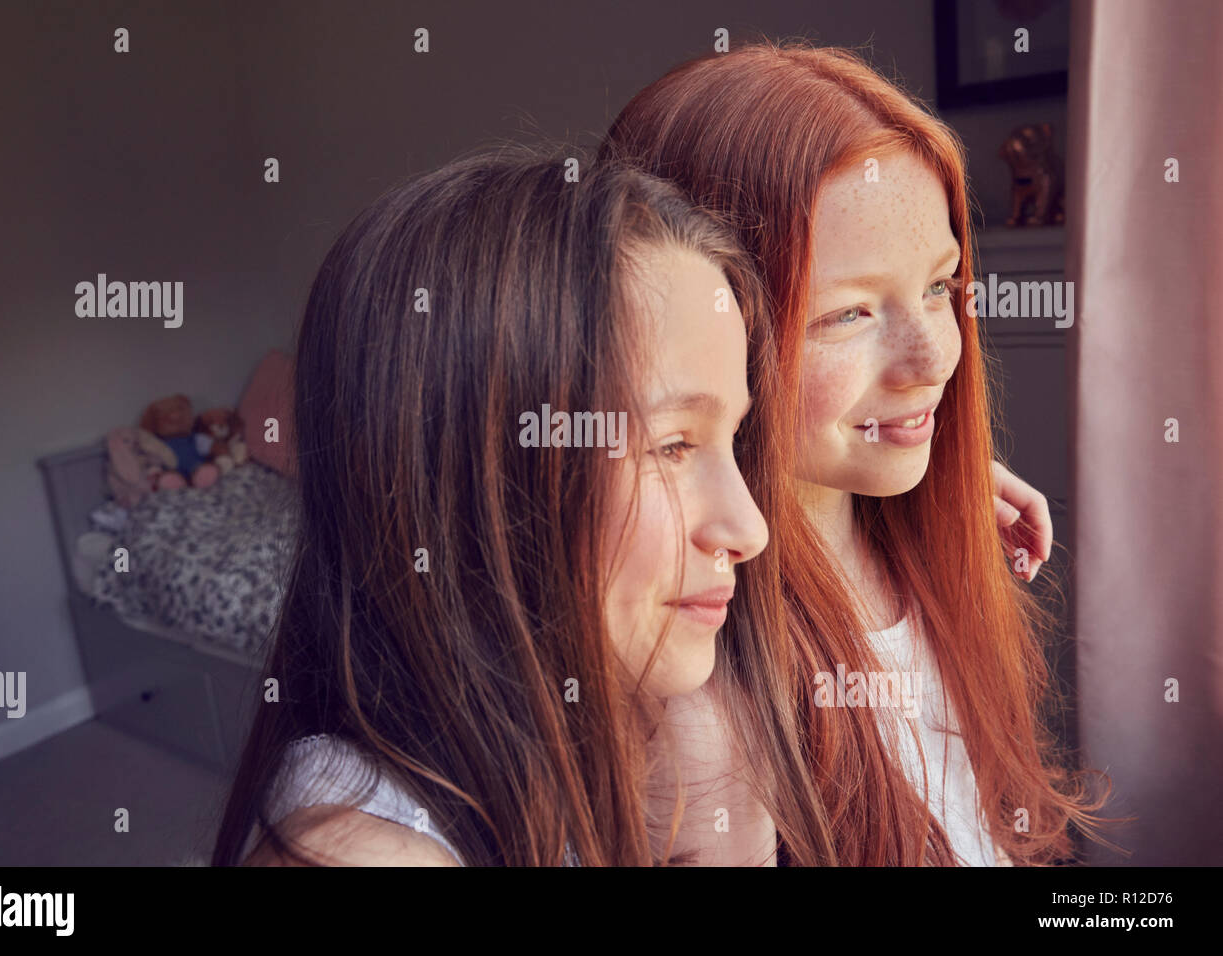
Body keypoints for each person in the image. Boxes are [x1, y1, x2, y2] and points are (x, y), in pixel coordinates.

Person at [212, 151, 829, 866]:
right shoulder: (364, 856)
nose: (748, 529)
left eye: (734, 439)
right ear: (470, 482)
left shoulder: (581, 740)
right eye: (672, 446)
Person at [601, 40, 1116, 865]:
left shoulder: (932, 540)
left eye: (940, 288)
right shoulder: (695, 689)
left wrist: (925, 478)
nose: (933, 360)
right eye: (850, 315)